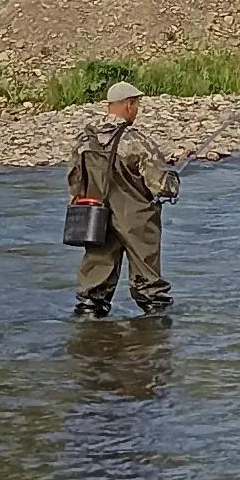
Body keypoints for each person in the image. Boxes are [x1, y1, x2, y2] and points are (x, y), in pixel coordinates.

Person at [66, 81, 181, 318]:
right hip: (136, 219)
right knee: (150, 287)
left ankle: (90, 333)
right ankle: (153, 334)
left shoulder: (85, 138)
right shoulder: (135, 141)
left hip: (96, 216)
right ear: (128, 105)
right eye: (136, 105)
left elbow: (74, 178)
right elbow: (161, 186)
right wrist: (174, 181)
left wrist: (79, 202)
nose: (137, 110)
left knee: (94, 284)